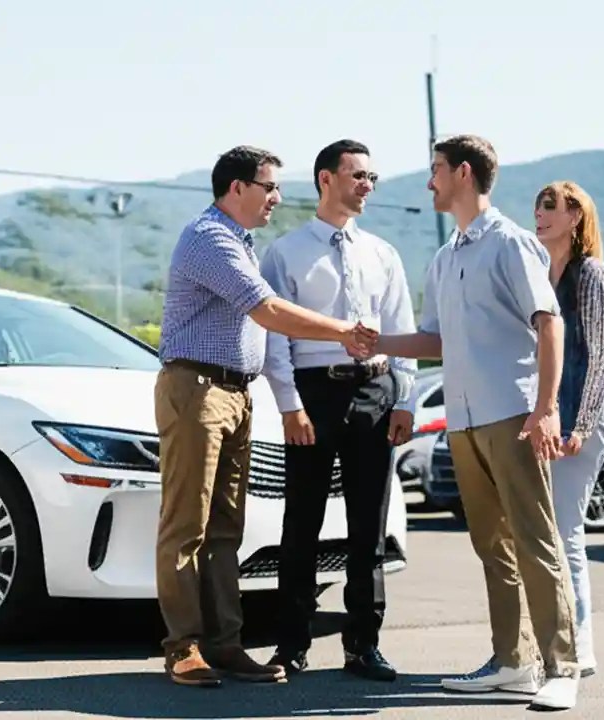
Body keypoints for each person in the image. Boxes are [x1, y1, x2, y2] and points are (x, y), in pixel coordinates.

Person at [365, 134, 580, 710]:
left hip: (513, 414)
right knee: (492, 547)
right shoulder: (444, 256)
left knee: (536, 542)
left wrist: (547, 407)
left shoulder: (511, 244)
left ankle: (561, 667)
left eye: (435, 170)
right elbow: (437, 339)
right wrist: (375, 342)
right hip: (462, 420)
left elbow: (548, 324)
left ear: (463, 173)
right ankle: (513, 662)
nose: (429, 180)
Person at [155, 144, 376, 688]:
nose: (277, 197)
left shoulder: (242, 242)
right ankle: (183, 647)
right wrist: (344, 332)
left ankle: (224, 645)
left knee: (226, 528)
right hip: (198, 389)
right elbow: (268, 310)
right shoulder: (209, 238)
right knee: (187, 525)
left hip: (234, 392)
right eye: (269, 186)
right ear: (237, 188)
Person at [258, 139, 418, 681]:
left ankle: (364, 644)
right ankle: (291, 645)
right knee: (300, 522)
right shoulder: (286, 252)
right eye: (357, 175)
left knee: (367, 526)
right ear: (326, 179)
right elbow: (275, 334)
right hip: (313, 393)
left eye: (372, 177)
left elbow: (399, 331)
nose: (367, 185)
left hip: (374, 393)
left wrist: (405, 398)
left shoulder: (383, 254)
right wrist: (289, 405)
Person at [534, 180, 604, 678]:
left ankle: (580, 645)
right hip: (541, 421)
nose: (540, 215)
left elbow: (601, 356)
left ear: (576, 218)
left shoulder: (594, 276)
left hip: (578, 424)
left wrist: (582, 424)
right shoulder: (536, 274)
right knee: (542, 536)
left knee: (566, 533)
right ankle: (546, 643)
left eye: (551, 208)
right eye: (538, 207)